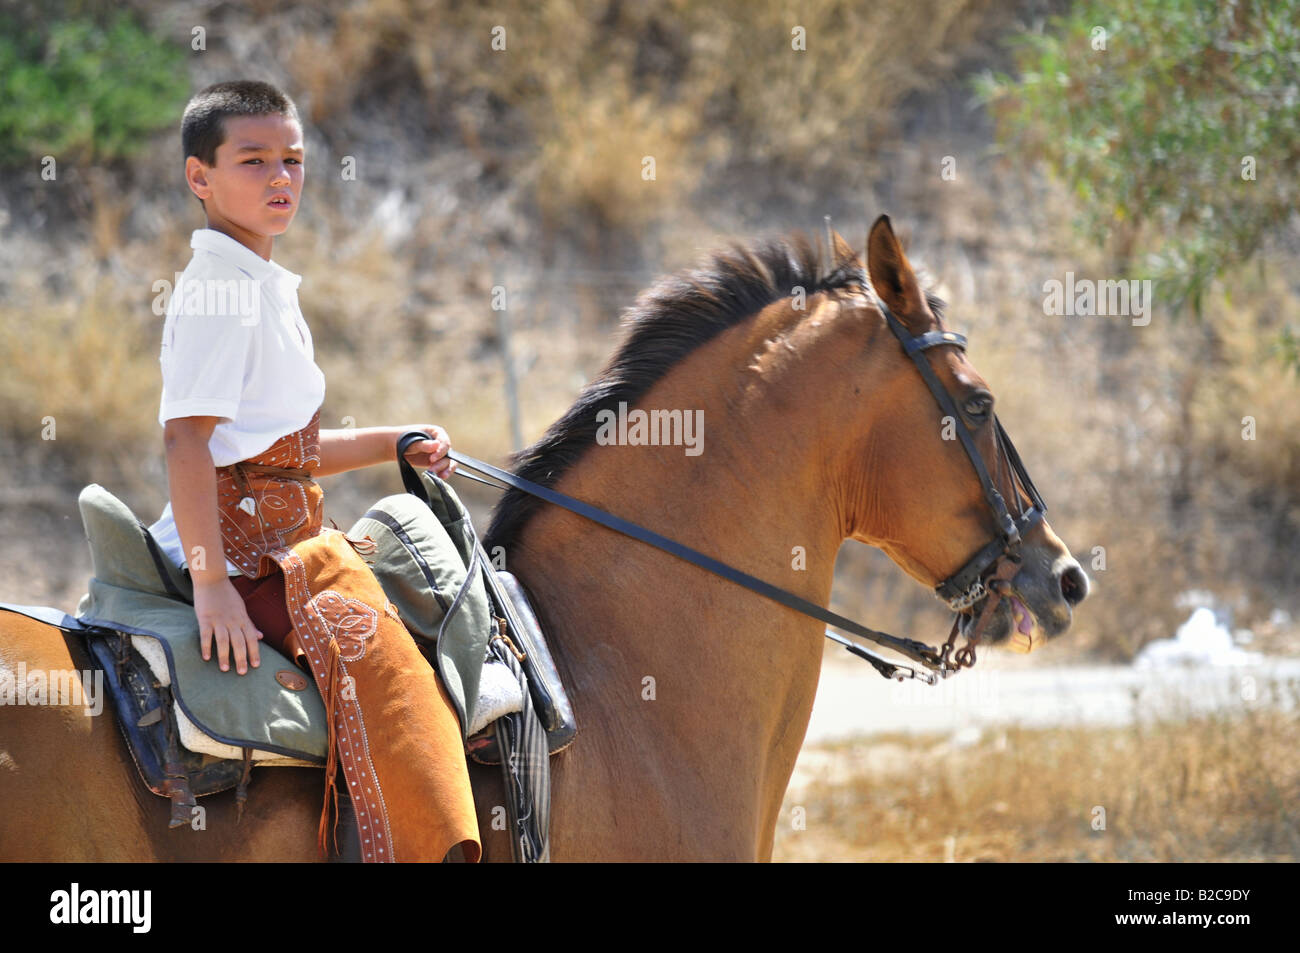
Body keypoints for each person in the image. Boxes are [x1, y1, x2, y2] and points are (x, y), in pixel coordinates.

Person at [146, 79, 480, 863]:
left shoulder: (262, 283)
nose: (280, 179)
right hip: (247, 558)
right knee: (402, 687)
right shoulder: (223, 290)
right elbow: (185, 444)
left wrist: (396, 438)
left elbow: (284, 455)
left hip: (294, 538)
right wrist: (210, 585)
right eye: (253, 160)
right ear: (200, 177)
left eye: (292, 159)